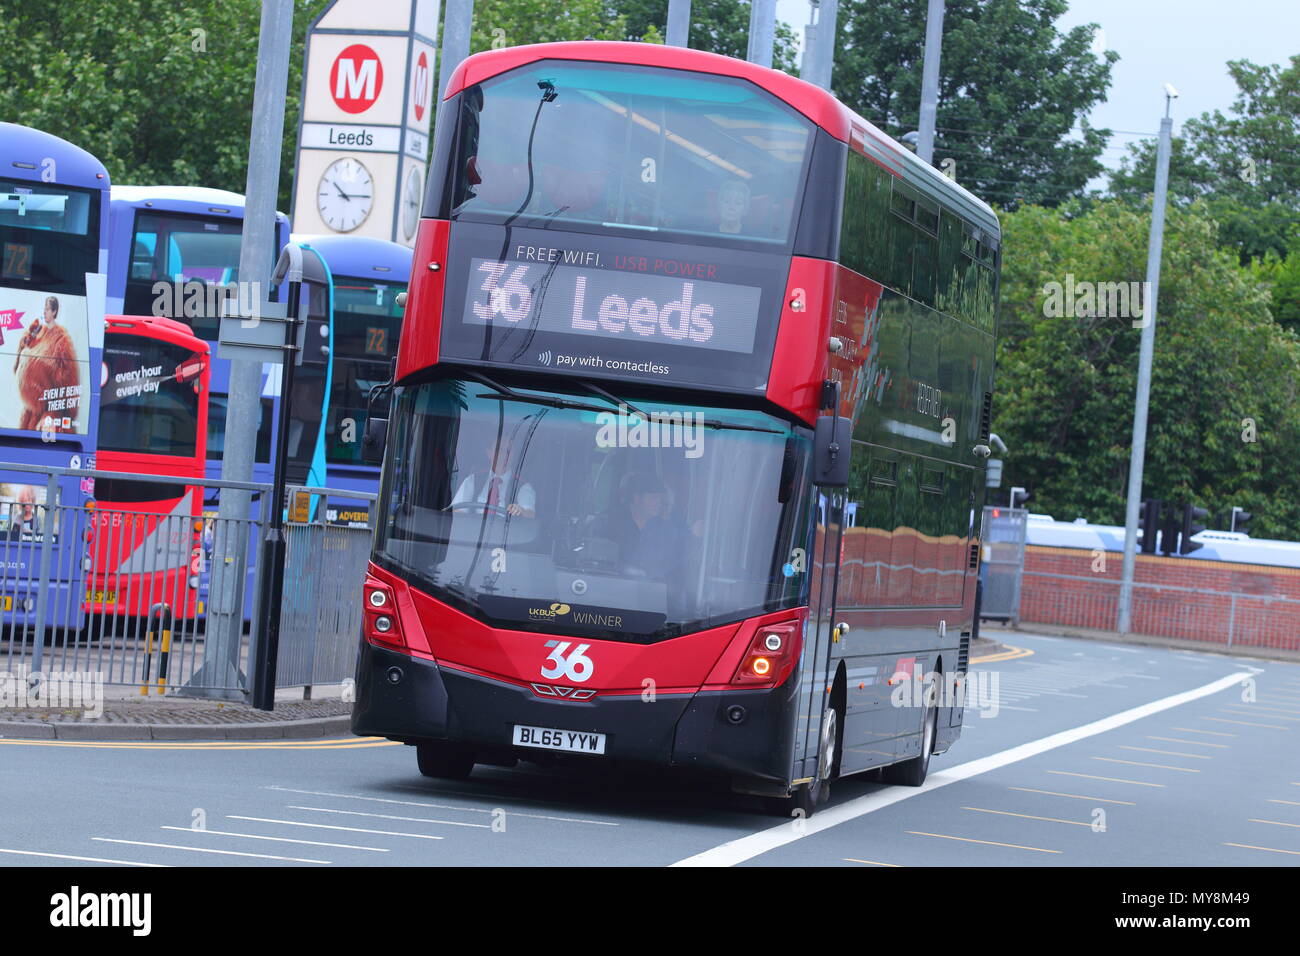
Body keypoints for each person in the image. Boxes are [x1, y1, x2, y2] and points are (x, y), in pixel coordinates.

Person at [450, 436, 536, 518]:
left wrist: (520, 511)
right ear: (489, 453)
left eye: (509, 451)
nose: (505, 455)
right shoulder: (473, 480)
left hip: (505, 533)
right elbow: (456, 513)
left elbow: (530, 514)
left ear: (513, 455)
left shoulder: (522, 486)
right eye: (501, 450)